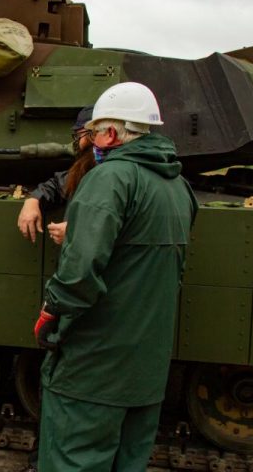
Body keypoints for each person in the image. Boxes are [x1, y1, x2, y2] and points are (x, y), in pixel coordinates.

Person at [33, 82, 198, 471]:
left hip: (94, 369)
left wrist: (50, 315)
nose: (88, 142)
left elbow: (78, 272)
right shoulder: (179, 185)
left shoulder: (109, 179)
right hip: (146, 369)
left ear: (109, 133)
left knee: (74, 460)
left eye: (91, 133)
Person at [17, 105, 96, 244]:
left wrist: (75, 233)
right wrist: (33, 200)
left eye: (79, 135)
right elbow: (59, 183)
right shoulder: (88, 167)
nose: (77, 142)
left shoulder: (114, 173)